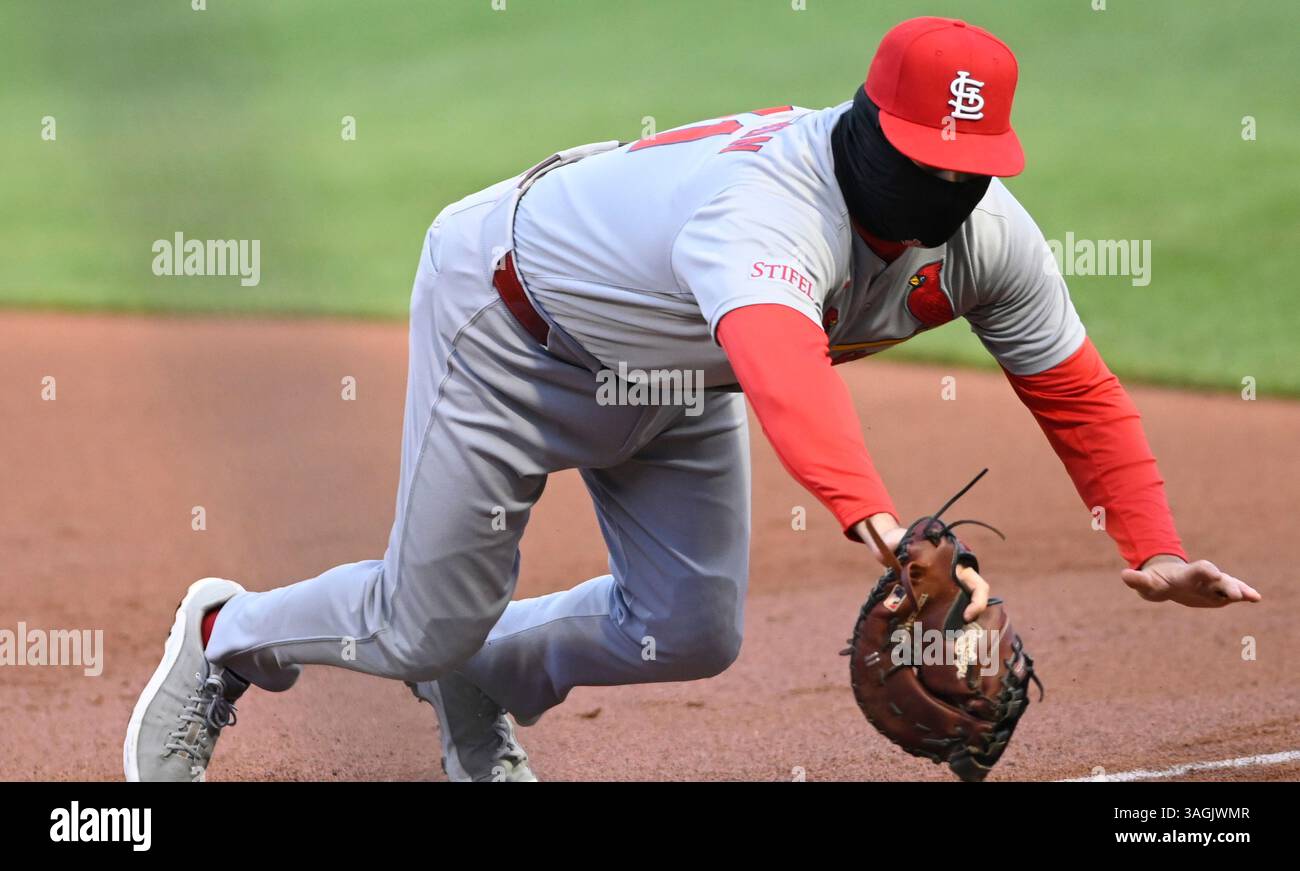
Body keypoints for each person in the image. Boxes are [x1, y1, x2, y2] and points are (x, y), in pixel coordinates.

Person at [124, 16, 1259, 783]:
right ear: (863, 122)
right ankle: (230, 633)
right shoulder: (766, 205)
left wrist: (1152, 545)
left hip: (676, 368)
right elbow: (779, 362)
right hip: (511, 330)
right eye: (920, 159)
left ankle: (479, 679)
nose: (943, 189)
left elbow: (1074, 389)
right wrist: (874, 518)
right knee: (423, 615)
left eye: (967, 172)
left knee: (688, 628)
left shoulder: (985, 238)